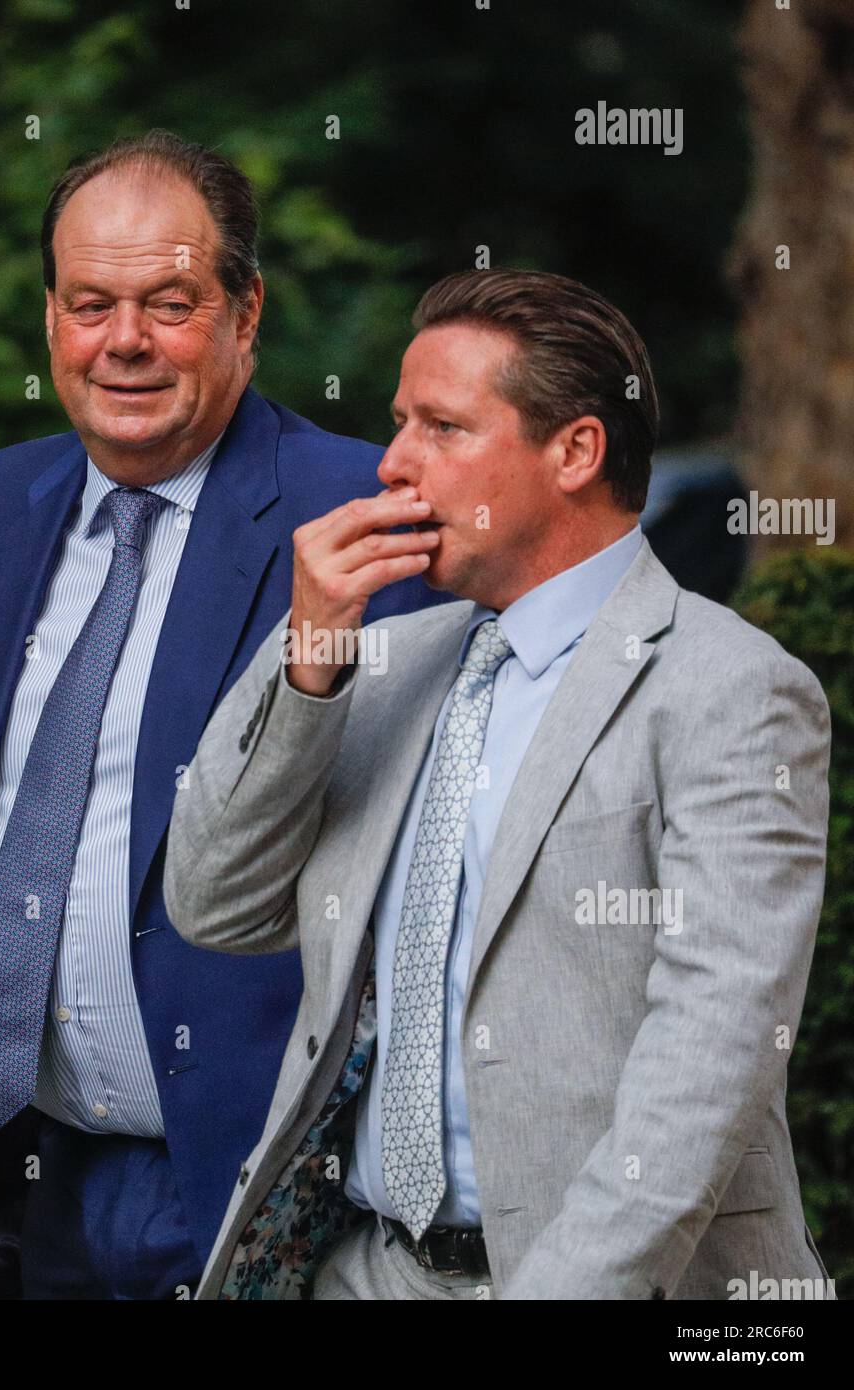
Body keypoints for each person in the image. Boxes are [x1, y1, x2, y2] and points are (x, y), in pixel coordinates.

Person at [0, 130, 450, 1300]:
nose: (123, 342)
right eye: (88, 304)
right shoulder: (0, 501)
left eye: (169, 304)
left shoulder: (364, 510)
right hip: (28, 1172)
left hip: (257, 1188)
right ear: (50, 317)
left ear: (245, 313)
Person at [165, 267, 836, 1300]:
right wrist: (307, 659)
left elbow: (711, 1057)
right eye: (399, 423)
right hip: (361, 1271)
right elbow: (213, 902)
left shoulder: (732, 689)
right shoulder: (380, 663)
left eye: (441, 427)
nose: (392, 464)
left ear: (573, 450)